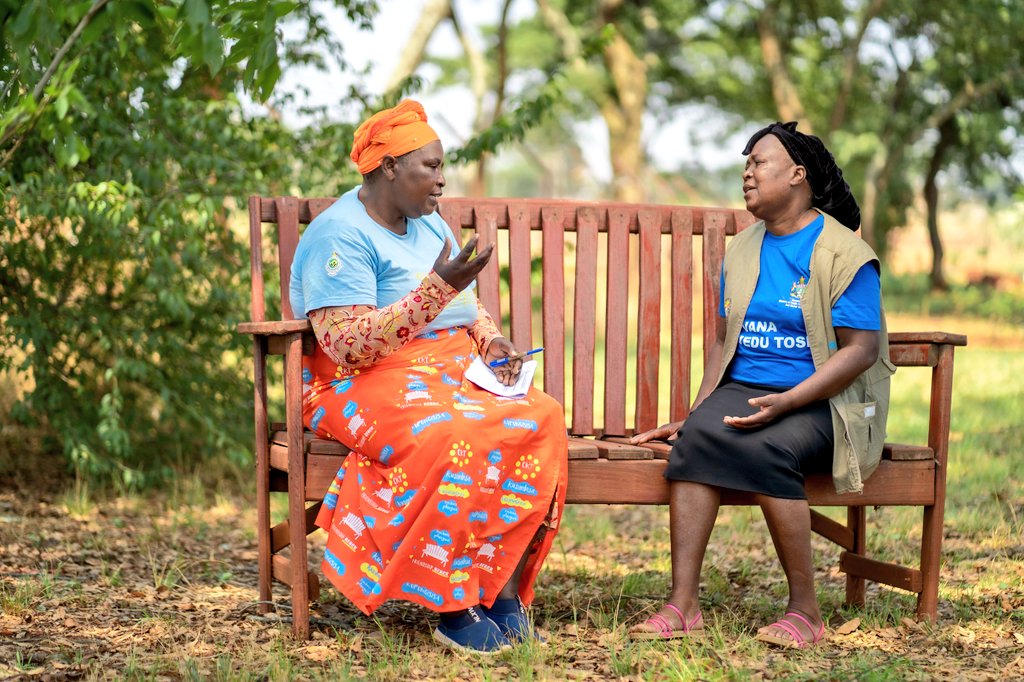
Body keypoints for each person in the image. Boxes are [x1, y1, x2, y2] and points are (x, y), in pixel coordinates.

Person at [289, 100, 568, 654]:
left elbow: (464, 307)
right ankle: (453, 604)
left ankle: (500, 588)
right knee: (452, 435)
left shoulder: (430, 223)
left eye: (443, 167)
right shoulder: (338, 235)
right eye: (431, 167)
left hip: (448, 371)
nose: (443, 181)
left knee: (540, 417)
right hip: (357, 383)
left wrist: (490, 339)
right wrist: (435, 288)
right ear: (389, 168)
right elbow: (346, 346)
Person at [628, 121, 893, 649]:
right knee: (697, 440)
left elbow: (861, 351)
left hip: (826, 401)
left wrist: (790, 401)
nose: (746, 173)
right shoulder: (744, 248)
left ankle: (805, 611)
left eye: (758, 163)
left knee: (770, 446)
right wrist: (696, 414)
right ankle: (683, 605)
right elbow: (725, 340)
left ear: (798, 175)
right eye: (744, 164)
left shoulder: (844, 254)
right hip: (746, 385)